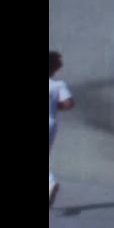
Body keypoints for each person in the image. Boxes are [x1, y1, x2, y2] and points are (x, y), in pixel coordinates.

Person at [49, 51, 75, 208]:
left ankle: (51, 182)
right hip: (52, 123)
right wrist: (55, 106)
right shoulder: (59, 85)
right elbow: (69, 104)